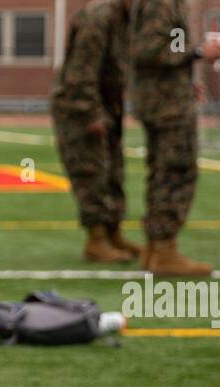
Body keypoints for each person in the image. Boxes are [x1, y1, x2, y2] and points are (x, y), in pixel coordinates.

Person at [129, 0, 220, 275]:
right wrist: (197, 52)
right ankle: (165, 248)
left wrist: (184, 79)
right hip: (166, 106)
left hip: (165, 98)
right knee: (176, 172)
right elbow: (148, 49)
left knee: (161, 172)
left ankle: (154, 248)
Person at [50, 0, 140, 263]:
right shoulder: (97, 17)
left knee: (114, 169)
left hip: (107, 105)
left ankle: (114, 233)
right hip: (80, 106)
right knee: (91, 171)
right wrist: (89, 112)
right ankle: (96, 239)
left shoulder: (125, 19)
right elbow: (82, 70)